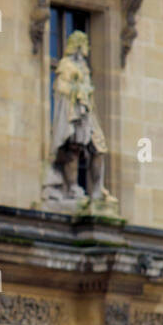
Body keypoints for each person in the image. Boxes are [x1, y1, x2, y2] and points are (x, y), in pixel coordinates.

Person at [45, 29, 108, 202]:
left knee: (99, 149)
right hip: (73, 112)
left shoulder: (83, 67)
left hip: (87, 112)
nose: (87, 47)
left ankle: (97, 189)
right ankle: (71, 186)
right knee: (73, 148)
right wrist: (78, 91)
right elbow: (61, 88)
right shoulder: (67, 65)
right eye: (85, 43)